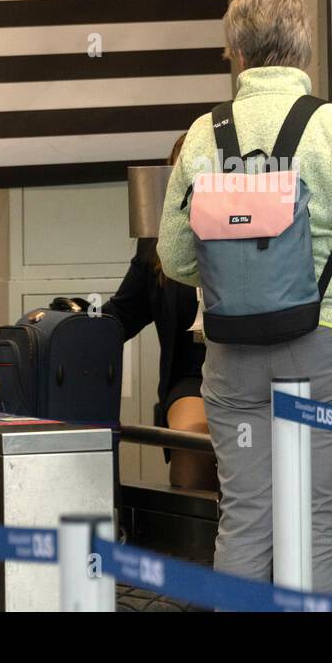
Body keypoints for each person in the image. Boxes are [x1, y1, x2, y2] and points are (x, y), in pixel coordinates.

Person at [157, 0, 332, 594]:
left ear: (237, 54)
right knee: (316, 523)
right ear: (304, 54)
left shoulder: (201, 134)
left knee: (244, 518)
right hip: (330, 349)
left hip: (234, 355)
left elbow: (174, 258)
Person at [104, 133, 215, 491]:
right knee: (192, 451)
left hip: (253, 372)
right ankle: (194, 541)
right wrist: (64, 326)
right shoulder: (157, 241)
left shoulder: (252, 227)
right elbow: (121, 315)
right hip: (193, 377)